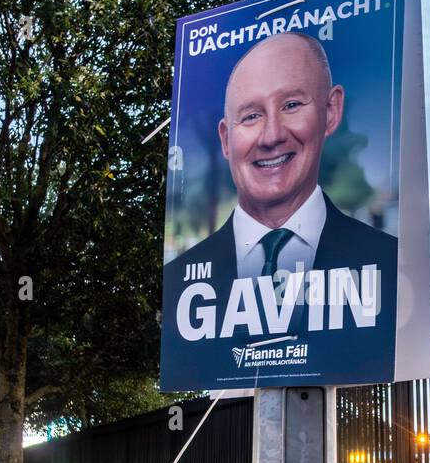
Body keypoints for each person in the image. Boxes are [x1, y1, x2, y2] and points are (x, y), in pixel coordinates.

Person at [160, 32, 398, 388]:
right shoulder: (183, 282)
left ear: (331, 111)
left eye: (291, 105)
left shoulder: (388, 262)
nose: (271, 135)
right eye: (252, 115)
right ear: (226, 139)